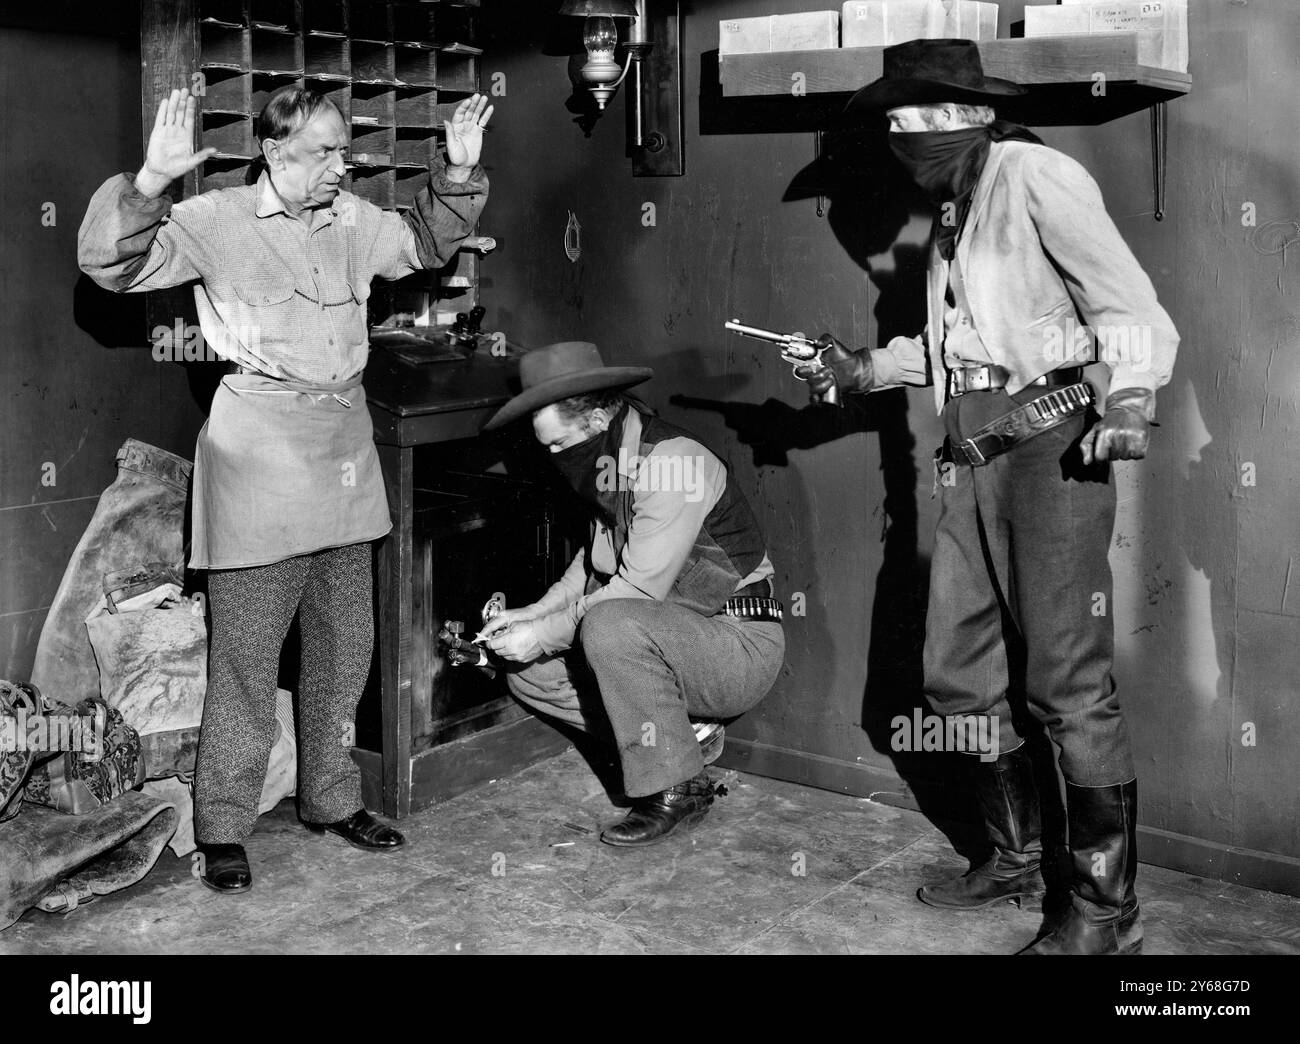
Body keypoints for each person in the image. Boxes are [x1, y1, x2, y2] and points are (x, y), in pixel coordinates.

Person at [801, 40, 1178, 954]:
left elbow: (1132, 309)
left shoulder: (1036, 175)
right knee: (957, 670)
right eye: (890, 124)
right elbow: (955, 347)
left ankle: (1102, 910)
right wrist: (858, 370)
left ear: (965, 115)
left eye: (912, 118)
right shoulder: (954, 207)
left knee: (1066, 681)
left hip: (1050, 443)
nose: (900, 137)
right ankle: (1015, 859)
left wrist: (1129, 394)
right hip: (967, 451)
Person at [78, 85, 493, 892]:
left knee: (346, 642)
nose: (342, 167)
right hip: (260, 448)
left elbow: (423, 245)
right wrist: (152, 183)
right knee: (246, 656)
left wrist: (457, 174)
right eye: (325, 153)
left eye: (346, 151)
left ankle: (331, 798)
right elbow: (108, 266)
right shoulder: (214, 221)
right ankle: (224, 825)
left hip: (342, 441)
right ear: (274, 151)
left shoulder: (353, 219)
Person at [478, 342, 785, 846]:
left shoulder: (672, 463)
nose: (554, 458)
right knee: (528, 672)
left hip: (736, 643)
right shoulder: (610, 458)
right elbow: (595, 565)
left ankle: (676, 786)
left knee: (611, 624)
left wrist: (544, 632)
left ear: (598, 418)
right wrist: (532, 616)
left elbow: (635, 591)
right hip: (666, 637)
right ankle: (684, 737)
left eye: (558, 445)